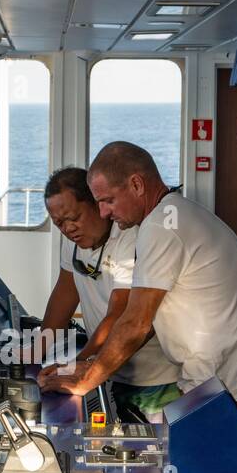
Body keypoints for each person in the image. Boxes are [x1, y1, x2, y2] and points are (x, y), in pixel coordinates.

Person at [41, 141, 237, 406]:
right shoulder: (173, 213)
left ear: (137, 185)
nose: (104, 211)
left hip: (226, 382)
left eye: (108, 201)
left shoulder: (161, 226)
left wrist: (85, 378)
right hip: (221, 375)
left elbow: (136, 322)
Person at [34, 167, 181, 420]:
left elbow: (119, 312)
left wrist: (78, 365)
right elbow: (64, 294)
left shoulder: (131, 237)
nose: (68, 228)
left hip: (154, 377)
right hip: (107, 369)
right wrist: (35, 354)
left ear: (96, 203)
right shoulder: (71, 241)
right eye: (59, 223)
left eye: (74, 217)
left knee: (157, 451)